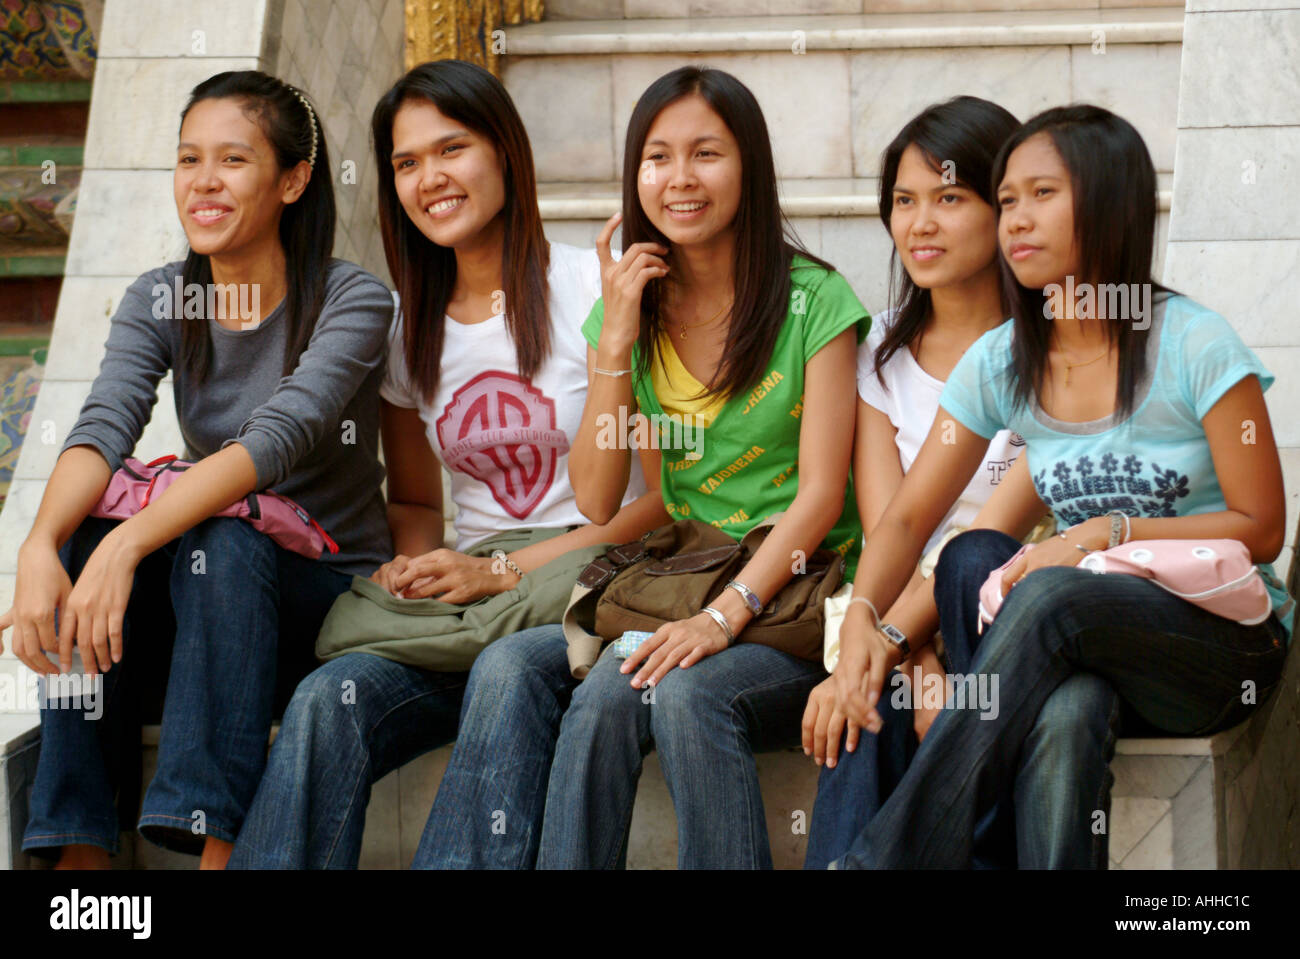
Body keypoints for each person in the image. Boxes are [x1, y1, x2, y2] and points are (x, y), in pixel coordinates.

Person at [418, 65, 869, 870]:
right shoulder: (629, 312)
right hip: (679, 577)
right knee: (542, 677)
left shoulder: (815, 301)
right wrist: (616, 342)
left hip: (795, 591)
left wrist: (721, 617)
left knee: (666, 692)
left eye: (706, 154)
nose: (680, 179)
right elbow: (597, 496)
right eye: (657, 158)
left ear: (749, 167)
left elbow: (820, 497)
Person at [827, 105, 1292, 869]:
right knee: (1041, 667)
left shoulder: (1195, 344)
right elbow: (910, 518)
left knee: (1045, 591)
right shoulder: (1001, 361)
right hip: (1078, 643)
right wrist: (866, 634)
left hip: (1217, 643)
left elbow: (1262, 527)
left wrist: (1099, 534)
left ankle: (884, 859)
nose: (1016, 218)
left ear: (1108, 201)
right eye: (1007, 199)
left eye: (1041, 194)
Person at [227, 59, 664, 869]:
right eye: (405, 162)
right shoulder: (405, 331)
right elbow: (421, 508)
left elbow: (656, 507)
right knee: (328, 698)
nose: (430, 178)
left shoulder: (591, 291)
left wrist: (502, 570)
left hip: (589, 583)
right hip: (475, 596)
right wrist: (416, 563)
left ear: (504, 150)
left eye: (451, 148)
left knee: (506, 668)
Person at [3, 70, 396, 870]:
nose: (204, 183)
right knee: (86, 545)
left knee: (221, 539)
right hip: (209, 608)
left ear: (293, 180)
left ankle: (217, 843)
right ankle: (81, 855)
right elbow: (103, 423)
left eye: (233, 161)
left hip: (325, 598)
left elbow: (275, 439)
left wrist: (128, 544)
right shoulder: (162, 296)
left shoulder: (352, 300)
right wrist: (42, 543)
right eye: (188, 160)